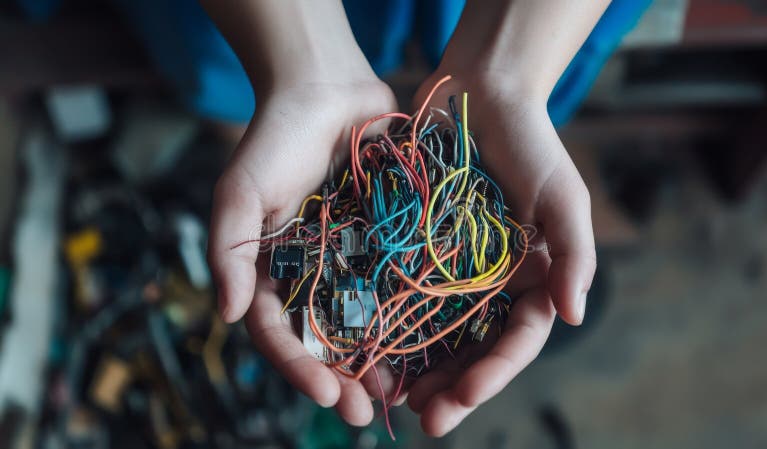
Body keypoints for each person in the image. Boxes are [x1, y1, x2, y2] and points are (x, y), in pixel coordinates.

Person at [104, 0, 649, 437]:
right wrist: (302, 67)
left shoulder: (425, 249)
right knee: (226, 78)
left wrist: (510, 75)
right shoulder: (354, 250)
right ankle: (241, 119)